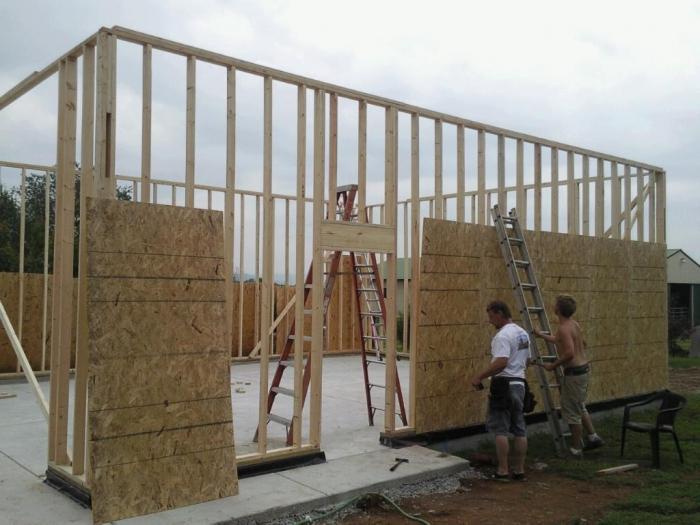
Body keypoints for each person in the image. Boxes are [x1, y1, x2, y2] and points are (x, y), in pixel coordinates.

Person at [533, 294, 604, 456]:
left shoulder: (564, 329)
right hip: (583, 371)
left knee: (572, 412)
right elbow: (562, 340)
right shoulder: (573, 324)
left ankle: (576, 449)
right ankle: (593, 437)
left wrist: (553, 365)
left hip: (574, 374)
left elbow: (569, 353)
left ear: (558, 309)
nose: (553, 305)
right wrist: (541, 335)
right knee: (579, 405)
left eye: (555, 303)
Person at [470, 300, 531, 481]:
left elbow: (501, 362)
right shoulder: (523, 334)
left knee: (501, 430)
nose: (490, 321)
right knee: (520, 429)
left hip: (503, 385)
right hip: (520, 384)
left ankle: (503, 471)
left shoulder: (502, 336)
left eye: (491, 316)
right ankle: (519, 471)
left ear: (499, 313)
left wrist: (479, 376)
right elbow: (527, 361)